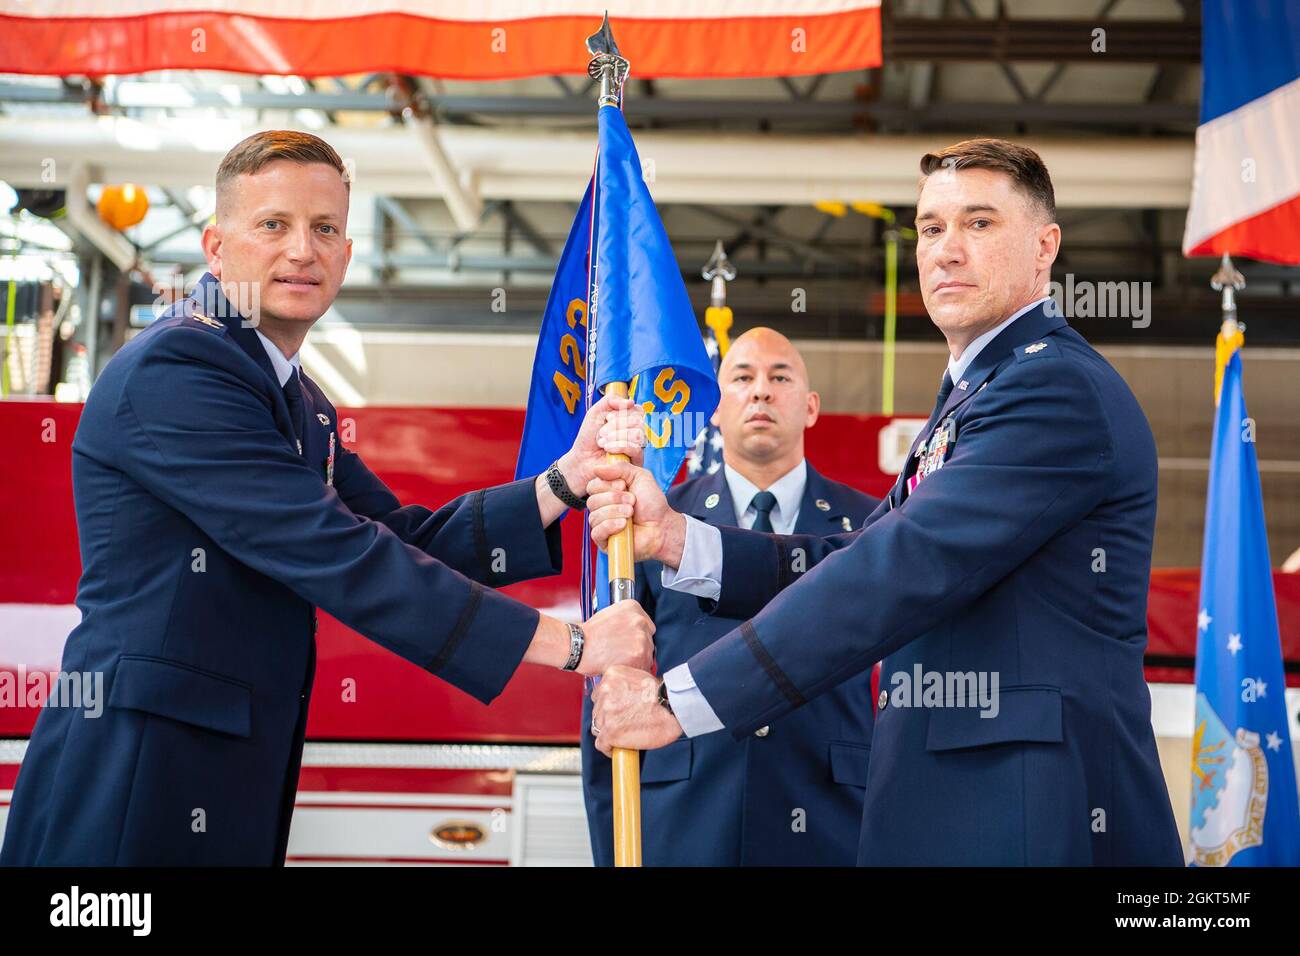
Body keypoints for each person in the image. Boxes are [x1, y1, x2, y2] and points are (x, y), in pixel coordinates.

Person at [1, 130, 653, 866]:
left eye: (325, 229)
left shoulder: (295, 397)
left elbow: (405, 538)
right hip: (135, 778)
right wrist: (571, 645)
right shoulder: (181, 366)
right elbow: (332, 549)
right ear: (216, 247)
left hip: (217, 768)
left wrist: (561, 482)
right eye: (273, 225)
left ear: (347, 255)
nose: (301, 251)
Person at [585, 138, 1184, 866]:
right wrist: (682, 540)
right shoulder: (978, 395)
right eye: (931, 228)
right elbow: (858, 555)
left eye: (980, 223)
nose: (947, 249)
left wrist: (679, 699)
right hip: (958, 810)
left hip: (1026, 815)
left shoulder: (1053, 389)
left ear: (1044, 247)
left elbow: (898, 568)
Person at [581, 328, 878, 866]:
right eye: (742, 377)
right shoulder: (651, 524)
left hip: (831, 823)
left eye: (780, 377)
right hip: (684, 825)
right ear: (715, 410)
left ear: (811, 407)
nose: (761, 391)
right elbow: (609, 690)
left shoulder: (873, 525)